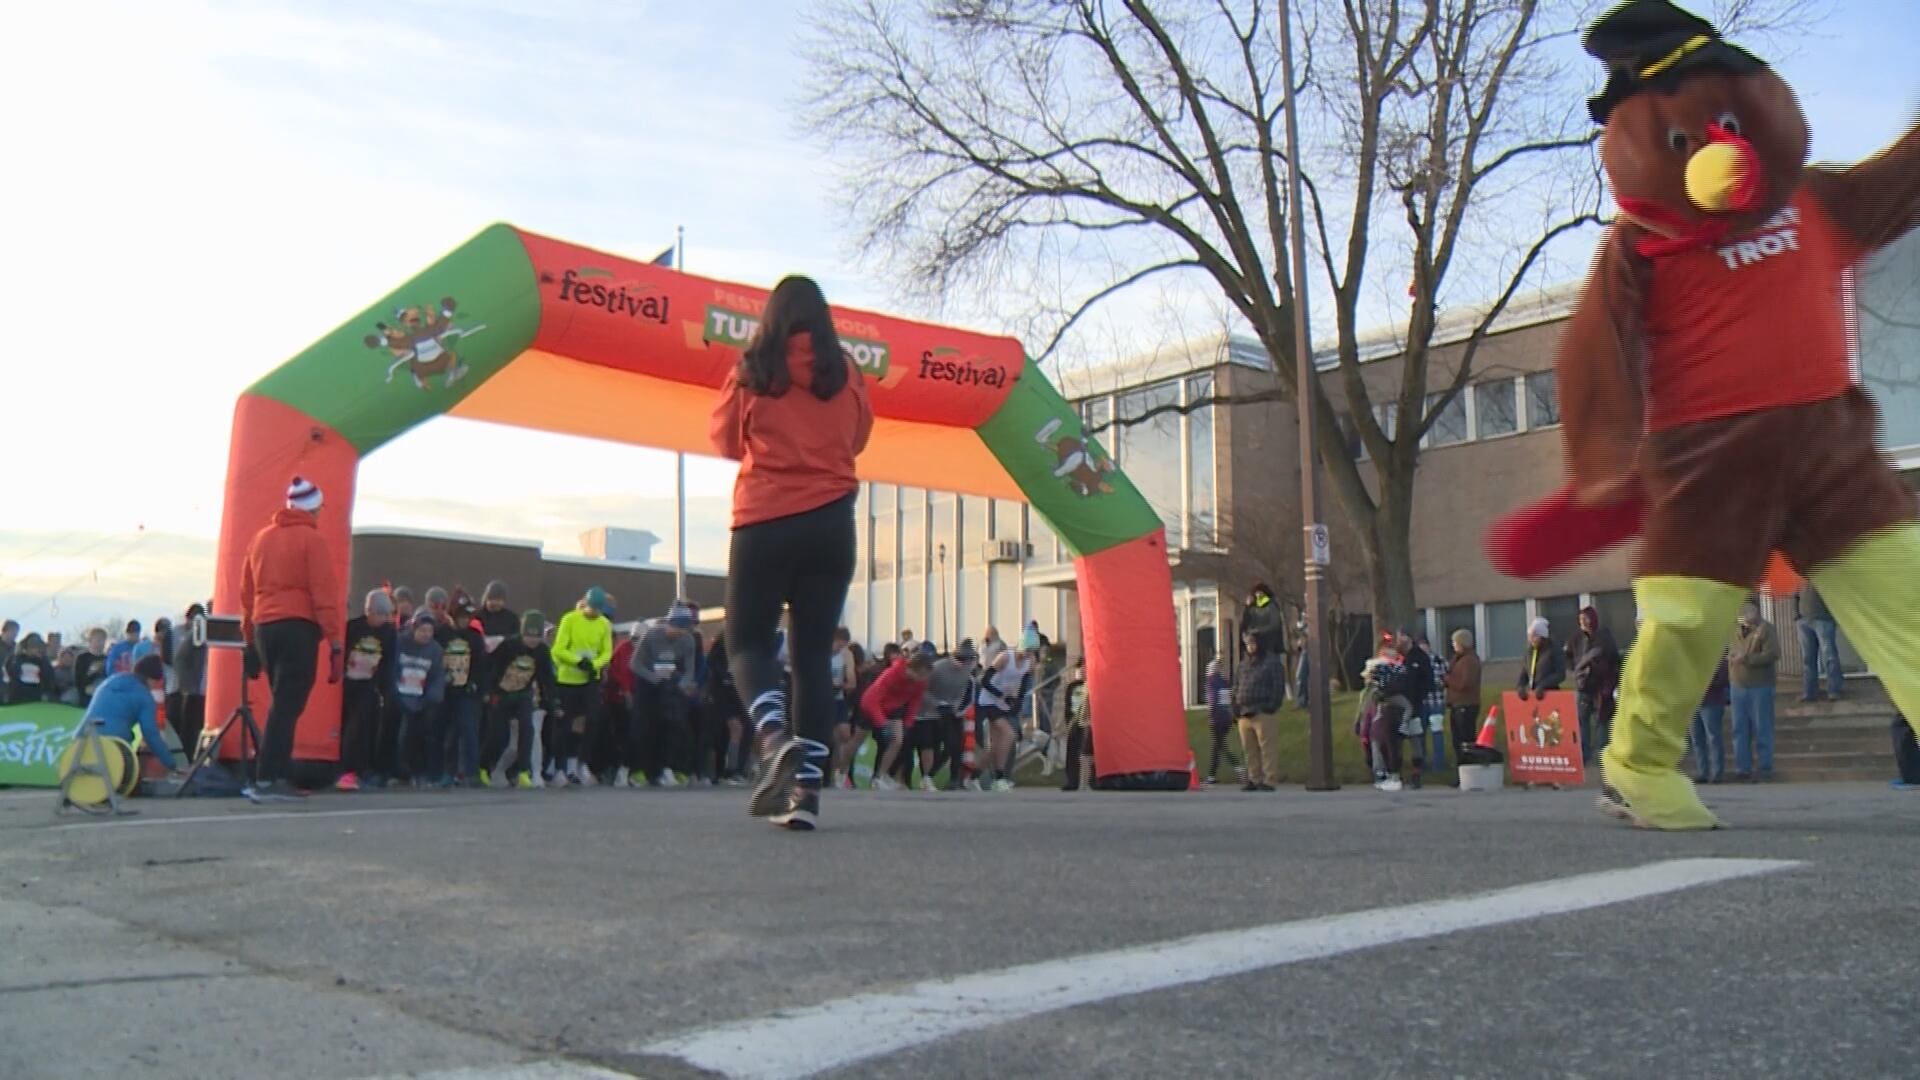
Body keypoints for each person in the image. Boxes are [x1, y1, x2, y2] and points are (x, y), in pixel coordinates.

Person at [711, 274, 873, 831]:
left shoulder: (753, 369)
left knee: (747, 644)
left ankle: (774, 735)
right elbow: (858, 439)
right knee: (810, 659)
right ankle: (805, 794)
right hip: (831, 523)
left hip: (765, 519)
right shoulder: (845, 372)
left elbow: (724, 441)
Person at [239, 475, 345, 798]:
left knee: (281, 703)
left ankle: (274, 774)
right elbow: (324, 593)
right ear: (313, 509)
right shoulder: (312, 541)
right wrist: (335, 641)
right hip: (298, 627)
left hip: (265, 628)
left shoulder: (260, 539)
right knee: (287, 706)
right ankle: (269, 778)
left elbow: (247, 594)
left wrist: (249, 639)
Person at [628, 601, 700, 787]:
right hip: (647, 682)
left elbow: (689, 670)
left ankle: (665, 768)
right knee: (644, 727)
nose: (680, 632)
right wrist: (654, 679)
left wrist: (681, 685)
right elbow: (635, 664)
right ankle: (639, 771)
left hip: (670, 684)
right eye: (677, 628)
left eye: (684, 629)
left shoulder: (688, 640)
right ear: (670, 623)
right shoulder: (651, 636)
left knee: (672, 725)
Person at [550, 586, 615, 785]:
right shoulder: (570, 619)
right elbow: (558, 649)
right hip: (568, 679)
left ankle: (579, 762)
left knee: (592, 720)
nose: (594, 612)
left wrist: (594, 664)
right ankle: (559, 767)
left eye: (598, 609)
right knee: (564, 724)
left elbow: (607, 651)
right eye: (592, 608)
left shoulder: (604, 624)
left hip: (590, 679)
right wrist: (577, 661)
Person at [485, 610, 555, 789]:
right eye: (529, 636)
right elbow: (491, 667)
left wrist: (551, 700)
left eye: (536, 637)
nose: (532, 641)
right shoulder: (509, 646)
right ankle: (484, 766)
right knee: (498, 735)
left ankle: (524, 771)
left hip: (523, 694)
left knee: (527, 729)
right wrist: (490, 692)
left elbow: (546, 678)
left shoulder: (541, 651)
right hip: (502, 693)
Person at [81, 655, 181, 778]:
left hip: (85, 741)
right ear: (151, 680)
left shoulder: (110, 681)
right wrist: (172, 764)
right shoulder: (144, 697)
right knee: (131, 778)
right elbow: (151, 735)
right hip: (116, 747)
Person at [338, 589, 397, 792]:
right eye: (379, 614)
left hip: (370, 685)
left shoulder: (388, 633)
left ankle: (362, 769)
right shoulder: (353, 628)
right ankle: (346, 768)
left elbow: (388, 662)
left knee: (365, 727)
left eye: (386, 615)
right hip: (349, 682)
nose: (382, 619)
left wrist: (384, 688)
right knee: (350, 726)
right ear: (369, 611)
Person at [861, 650, 932, 790]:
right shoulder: (892, 674)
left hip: (894, 709)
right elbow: (872, 699)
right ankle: (840, 772)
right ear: (912, 668)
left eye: (924, 676)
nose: (922, 679)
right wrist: (881, 722)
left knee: (898, 741)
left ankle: (880, 776)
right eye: (920, 674)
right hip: (872, 704)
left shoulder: (921, 682)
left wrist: (908, 721)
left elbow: (915, 701)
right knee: (858, 739)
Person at [976, 634, 1037, 791]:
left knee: (995, 747)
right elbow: (984, 680)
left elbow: (1025, 682)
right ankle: (999, 777)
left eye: (1032, 651)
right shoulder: (1005, 657)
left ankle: (973, 776)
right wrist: (1000, 695)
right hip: (989, 701)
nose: (1028, 654)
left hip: (1003, 703)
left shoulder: (1030, 661)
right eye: (1027, 650)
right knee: (1009, 734)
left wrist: (1018, 701)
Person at [391, 611, 446, 785]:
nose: (426, 635)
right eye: (422, 630)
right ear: (414, 629)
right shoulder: (400, 643)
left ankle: (421, 772)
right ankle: (400, 772)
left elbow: (437, 676)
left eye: (430, 631)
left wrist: (431, 697)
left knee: (423, 735)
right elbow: (392, 669)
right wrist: (394, 692)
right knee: (401, 735)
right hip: (400, 697)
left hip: (423, 700)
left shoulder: (435, 650)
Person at [1727, 599, 1780, 782]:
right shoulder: (1734, 630)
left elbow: (1773, 654)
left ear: (1757, 610)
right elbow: (1730, 651)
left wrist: (1747, 658)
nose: (1746, 614)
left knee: (1762, 728)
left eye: (1750, 610)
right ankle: (1742, 769)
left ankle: (1765, 768)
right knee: (1739, 729)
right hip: (1737, 685)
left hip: (1760, 685)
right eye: (1743, 610)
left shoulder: (1766, 629)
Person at [1566, 606, 1622, 763]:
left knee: (1601, 721)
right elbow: (1568, 656)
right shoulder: (1576, 638)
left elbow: (1614, 660)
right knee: (1582, 720)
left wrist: (1610, 680)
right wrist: (1575, 669)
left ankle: (1603, 755)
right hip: (1583, 685)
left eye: (1585, 618)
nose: (1582, 622)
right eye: (1580, 619)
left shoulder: (1604, 637)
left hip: (1601, 686)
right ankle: (1584, 754)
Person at [919, 640, 976, 791]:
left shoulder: (968, 672)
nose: (962, 664)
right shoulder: (937, 668)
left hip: (953, 711)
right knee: (936, 746)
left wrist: (957, 708)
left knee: (955, 745)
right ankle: (928, 775)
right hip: (931, 712)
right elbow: (922, 690)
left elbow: (966, 694)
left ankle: (954, 778)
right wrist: (937, 704)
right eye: (959, 659)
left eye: (966, 660)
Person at [1233, 630, 1286, 792]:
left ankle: (1270, 779)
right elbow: (1236, 685)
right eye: (1248, 644)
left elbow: (1278, 685)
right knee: (1249, 749)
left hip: (1263, 711)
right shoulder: (1242, 665)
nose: (1250, 647)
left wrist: (1271, 706)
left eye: (1253, 643)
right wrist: (1234, 706)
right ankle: (1253, 778)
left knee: (1267, 748)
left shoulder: (1271, 663)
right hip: (1244, 712)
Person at [170, 603, 209, 760]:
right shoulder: (198, 634)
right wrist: (188, 686)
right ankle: (188, 761)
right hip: (196, 692)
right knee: (191, 731)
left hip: (214, 692)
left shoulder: (230, 631)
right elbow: (179, 659)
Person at [1794, 583, 1843, 703]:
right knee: (1808, 659)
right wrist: (1797, 616)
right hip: (1804, 621)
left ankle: (1834, 691)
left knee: (1829, 656)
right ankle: (1809, 693)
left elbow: (1836, 594)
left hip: (1824, 619)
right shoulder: (1800, 577)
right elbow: (1795, 595)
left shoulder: (1826, 575)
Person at [828, 627, 862, 788]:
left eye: (842, 646)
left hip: (837, 697)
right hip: (820, 697)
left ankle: (839, 773)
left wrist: (843, 684)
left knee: (843, 735)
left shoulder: (846, 655)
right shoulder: (821, 651)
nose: (838, 649)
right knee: (827, 737)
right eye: (837, 645)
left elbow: (852, 681)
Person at [1690, 651, 1730, 784]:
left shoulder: (1717, 657)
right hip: (1694, 703)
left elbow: (1722, 678)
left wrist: (1704, 681)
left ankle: (1718, 772)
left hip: (1712, 702)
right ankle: (1703, 772)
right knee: (1697, 739)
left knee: (1713, 737)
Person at [1442, 629, 1482, 758]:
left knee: (1465, 738)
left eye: (1455, 642)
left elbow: (1465, 683)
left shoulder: (1469, 660)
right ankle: (1461, 762)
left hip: (1466, 704)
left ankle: (1468, 762)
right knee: (1457, 739)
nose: (1453, 644)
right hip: (1456, 704)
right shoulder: (1458, 659)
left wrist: (1448, 679)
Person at [1203, 654, 1241, 786]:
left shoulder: (1211, 683)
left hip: (1217, 719)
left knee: (1221, 746)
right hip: (1226, 718)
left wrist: (1211, 716)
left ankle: (1238, 767)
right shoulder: (1224, 682)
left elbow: (1213, 701)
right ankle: (1211, 775)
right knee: (1217, 747)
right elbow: (1229, 701)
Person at [1417, 628, 1450, 770]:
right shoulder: (1417, 661)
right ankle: (1423, 762)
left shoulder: (1438, 659)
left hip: (1436, 702)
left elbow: (1447, 679)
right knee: (1421, 734)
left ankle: (1438, 763)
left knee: (1436, 733)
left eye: (1424, 645)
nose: (1423, 648)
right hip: (1422, 703)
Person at [1059, 657, 1093, 791]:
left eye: (1085, 667)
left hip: (1087, 722)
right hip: (1074, 721)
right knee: (1072, 751)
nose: (1082, 670)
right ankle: (1072, 780)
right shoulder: (1072, 686)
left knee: (1085, 752)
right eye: (1080, 668)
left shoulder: (1092, 685)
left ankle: (1087, 780)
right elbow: (1067, 705)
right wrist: (1067, 722)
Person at [1515, 618, 1566, 700]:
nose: (1531, 639)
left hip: (1551, 694)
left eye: (1534, 636)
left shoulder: (1554, 650)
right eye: (1530, 636)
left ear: (1542, 636)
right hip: (1533, 694)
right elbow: (1525, 671)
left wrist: (1543, 685)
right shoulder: (1530, 651)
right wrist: (1520, 686)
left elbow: (1560, 675)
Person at [4, 634, 55, 704]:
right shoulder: (15, 659)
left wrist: (43, 660)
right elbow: (13, 674)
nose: (35, 649)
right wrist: (17, 657)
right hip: (17, 694)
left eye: (37, 647)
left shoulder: (42, 661)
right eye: (32, 647)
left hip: (35, 695)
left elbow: (48, 678)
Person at [1242, 583, 1284, 656]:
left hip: (1270, 646)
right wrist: (1247, 607)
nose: (1258, 596)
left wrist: (1258, 630)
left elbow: (1274, 625)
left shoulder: (1271, 606)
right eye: (1256, 594)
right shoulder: (1253, 608)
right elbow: (1246, 622)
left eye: (1260, 593)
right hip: (1257, 646)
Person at [73, 628, 110, 708]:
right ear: (90, 640)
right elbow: (78, 679)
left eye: (103, 640)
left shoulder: (108, 659)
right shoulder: (82, 658)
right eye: (98, 639)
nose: (101, 642)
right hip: (87, 692)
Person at [477, 580, 518, 650]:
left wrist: (502, 639)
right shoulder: (478, 616)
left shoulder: (512, 618)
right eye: (491, 599)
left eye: (498, 600)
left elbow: (517, 637)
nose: (494, 603)